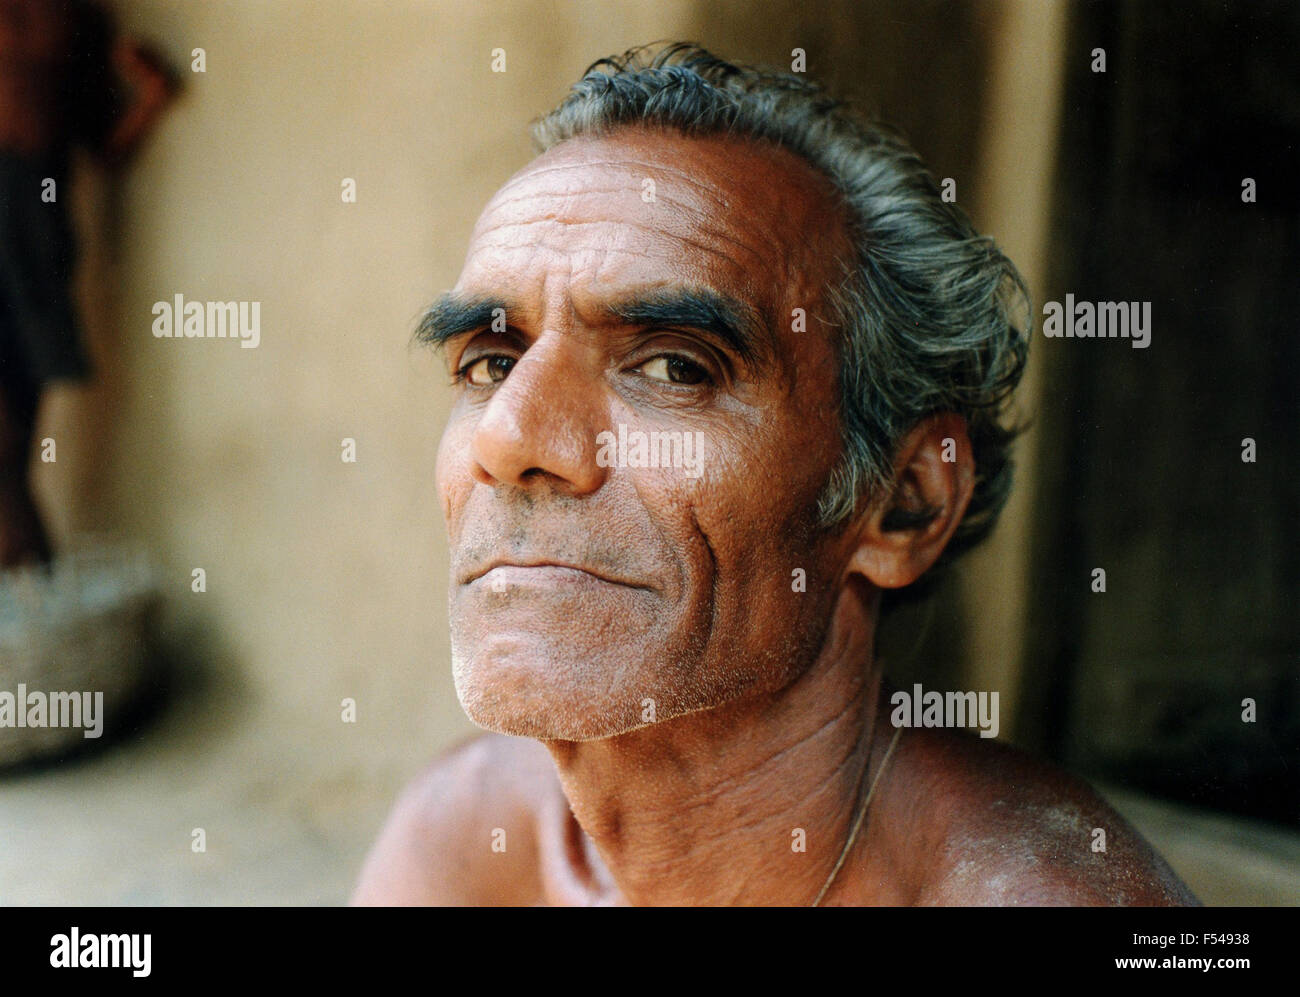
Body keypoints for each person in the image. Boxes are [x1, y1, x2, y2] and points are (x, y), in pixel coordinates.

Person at [353, 43, 1197, 906]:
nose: (511, 436)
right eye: (491, 362)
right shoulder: (468, 834)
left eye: (676, 367)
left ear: (903, 502)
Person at [0, 0, 176, 566]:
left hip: (33, 240)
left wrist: (151, 97)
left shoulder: (67, 18)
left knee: (13, 451)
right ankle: (35, 623)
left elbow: (99, 144)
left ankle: (36, 623)